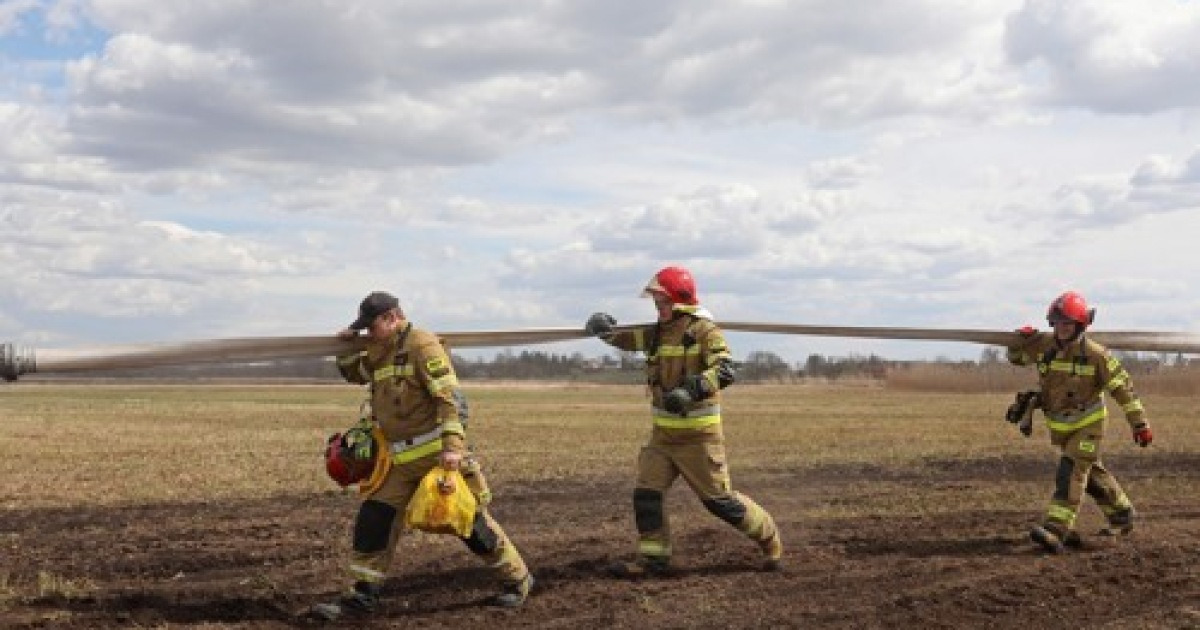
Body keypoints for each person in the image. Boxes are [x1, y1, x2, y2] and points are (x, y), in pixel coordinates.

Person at [311, 291, 533, 621]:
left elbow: (450, 399)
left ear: (391, 318)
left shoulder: (422, 345)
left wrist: (453, 450)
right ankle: (360, 597)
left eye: (371, 327)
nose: (368, 334)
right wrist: (346, 349)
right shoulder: (378, 349)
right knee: (374, 522)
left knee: (470, 525)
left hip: (436, 458)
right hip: (397, 462)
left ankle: (518, 580)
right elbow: (357, 375)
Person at [584, 265, 783, 575]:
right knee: (647, 496)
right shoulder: (656, 333)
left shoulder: (704, 331)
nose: (657, 307)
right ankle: (654, 560)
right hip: (663, 438)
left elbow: (725, 370)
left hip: (698, 438)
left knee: (721, 503)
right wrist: (604, 330)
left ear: (679, 300)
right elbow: (627, 339)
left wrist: (690, 392)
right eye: (655, 302)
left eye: (661, 301)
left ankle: (769, 537)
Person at [1006, 290, 1153, 554]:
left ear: (1080, 325)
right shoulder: (1044, 345)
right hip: (1061, 429)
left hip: (1089, 426)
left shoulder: (1097, 355)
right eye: (1058, 323)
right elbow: (1016, 359)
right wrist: (1019, 340)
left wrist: (1140, 425)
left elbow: (1123, 389)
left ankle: (1056, 530)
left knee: (1071, 471)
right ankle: (1122, 514)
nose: (1062, 329)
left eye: (1068, 323)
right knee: (1091, 475)